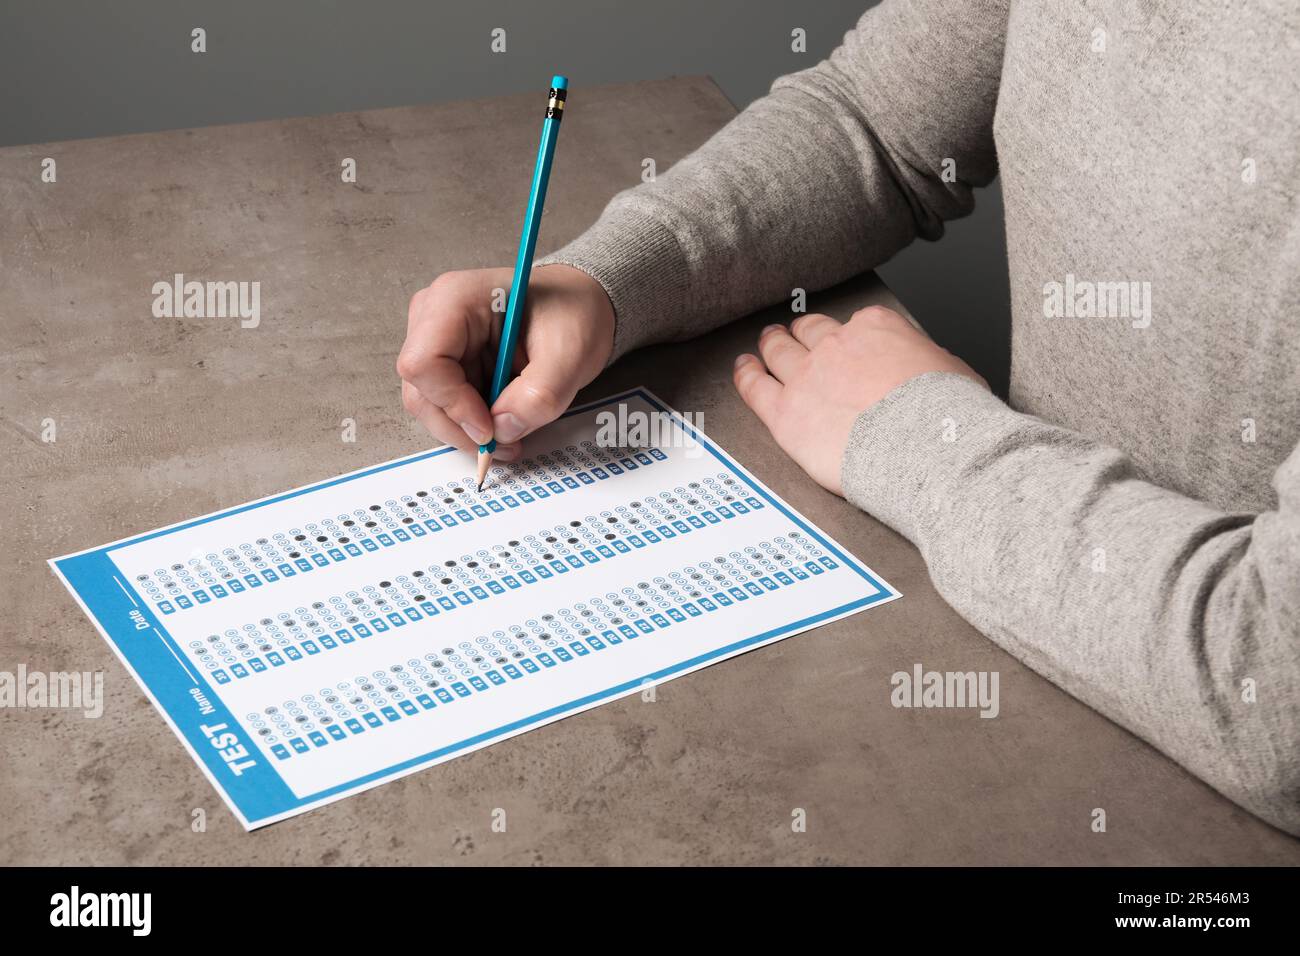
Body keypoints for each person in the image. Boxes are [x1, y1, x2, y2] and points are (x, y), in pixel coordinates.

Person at [396, 0, 1300, 834]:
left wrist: (923, 435)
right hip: (1030, 671)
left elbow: (1275, 700)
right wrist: (610, 280)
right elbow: (875, 120)